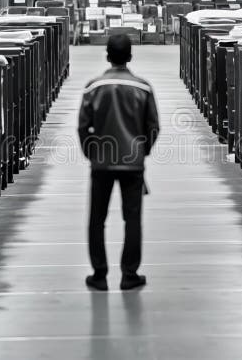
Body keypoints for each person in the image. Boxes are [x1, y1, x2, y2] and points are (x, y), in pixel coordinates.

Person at [78, 34, 160, 291]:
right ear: (130, 57)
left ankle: (99, 274)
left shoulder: (94, 87)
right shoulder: (143, 88)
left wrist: (92, 152)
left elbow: (83, 126)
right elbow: (153, 126)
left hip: (101, 162)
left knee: (97, 218)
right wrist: (141, 150)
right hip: (132, 162)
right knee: (132, 219)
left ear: (107, 56)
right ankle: (129, 274)